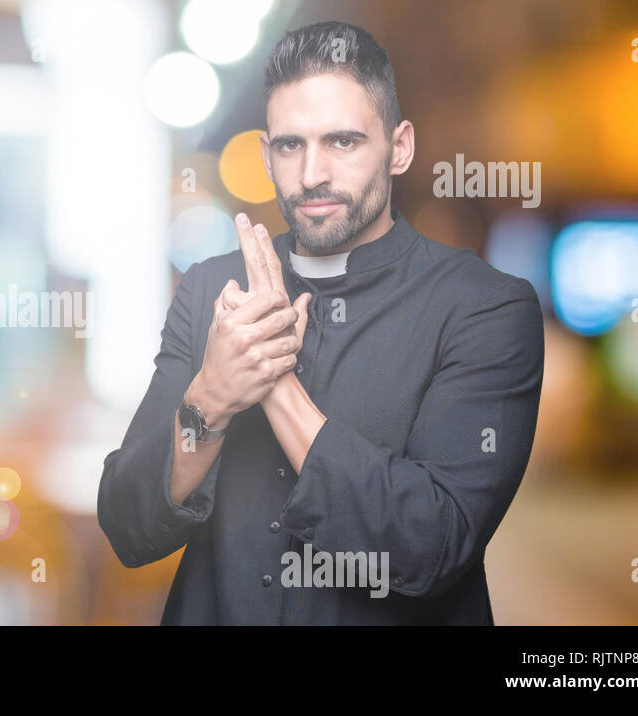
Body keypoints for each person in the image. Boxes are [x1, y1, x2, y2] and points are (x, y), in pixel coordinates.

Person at [97, 21, 544, 625]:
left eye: (343, 142)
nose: (311, 174)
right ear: (266, 154)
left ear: (400, 146)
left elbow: (432, 544)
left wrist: (273, 381)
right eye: (290, 145)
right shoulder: (212, 289)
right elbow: (127, 525)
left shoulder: (486, 308)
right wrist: (210, 399)